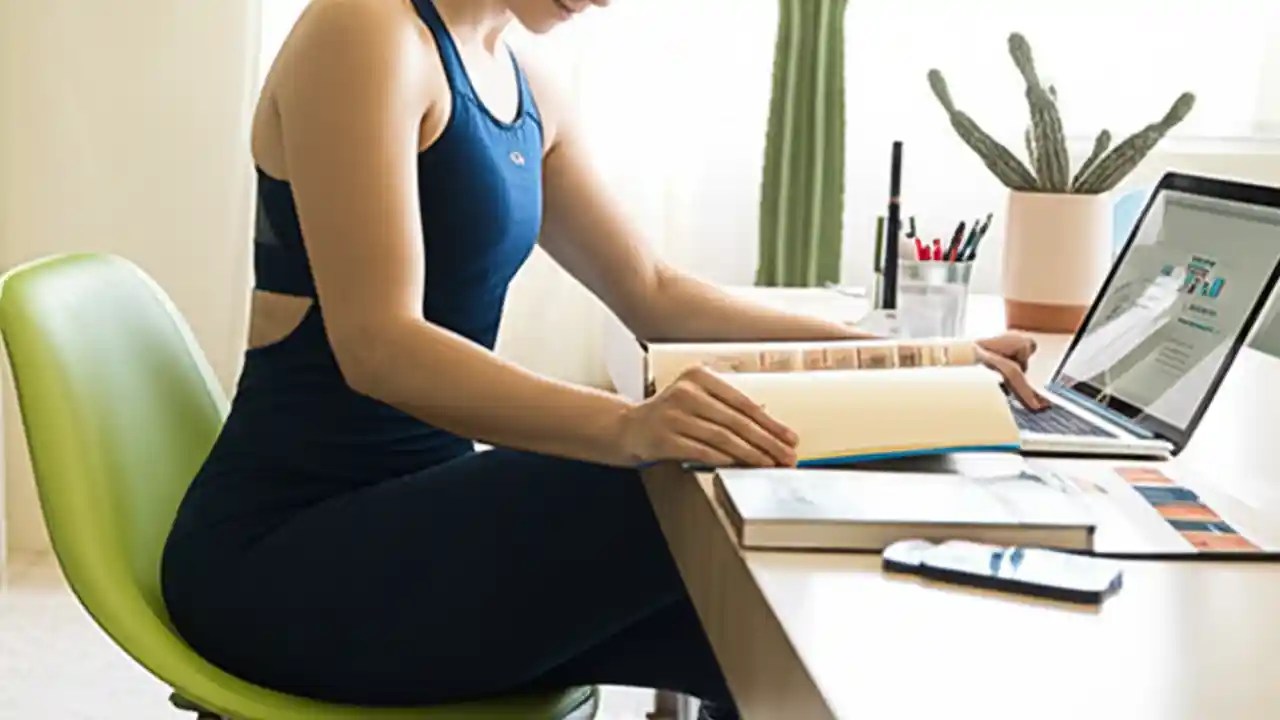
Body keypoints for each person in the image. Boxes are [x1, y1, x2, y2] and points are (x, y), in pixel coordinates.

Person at [159, 0, 1047, 718]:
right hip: (284, 559)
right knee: (676, 486)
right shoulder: (364, 33)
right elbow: (379, 346)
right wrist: (629, 426)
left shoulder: (523, 74)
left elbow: (653, 290)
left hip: (408, 517)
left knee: (768, 640)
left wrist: (917, 359)